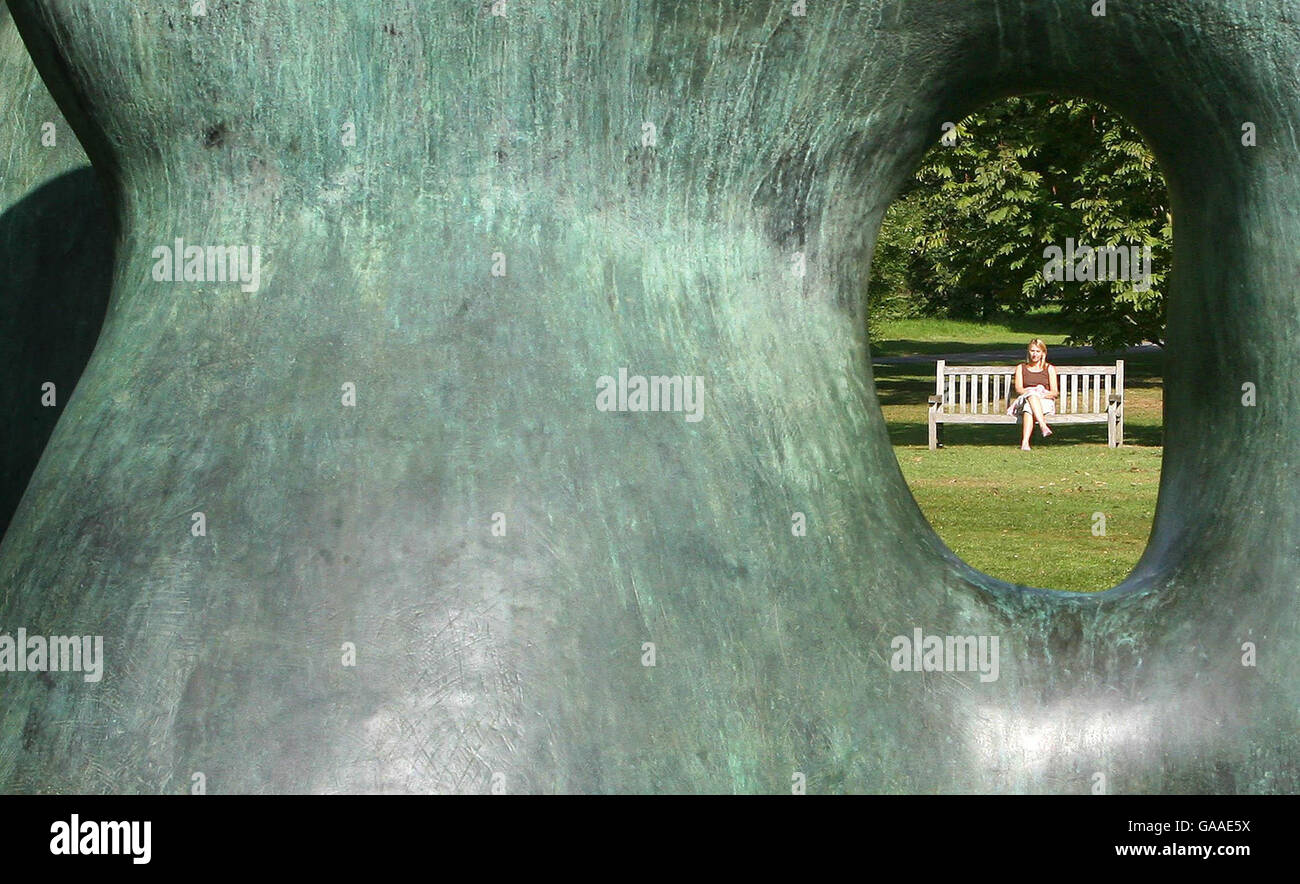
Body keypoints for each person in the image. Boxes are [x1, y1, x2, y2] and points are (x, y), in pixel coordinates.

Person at [1007, 338, 1057, 450]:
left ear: (1043, 353)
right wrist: (1032, 391)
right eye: (1032, 351)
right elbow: (1019, 389)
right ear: (1028, 352)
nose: (1035, 354)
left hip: (1044, 400)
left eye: (1038, 351)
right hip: (1025, 398)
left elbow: (1054, 392)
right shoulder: (1021, 368)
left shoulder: (1049, 368)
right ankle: (1043, 426)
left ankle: (1025, 443)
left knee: (1029, 408)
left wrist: (1041, 394)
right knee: (1031, 397)